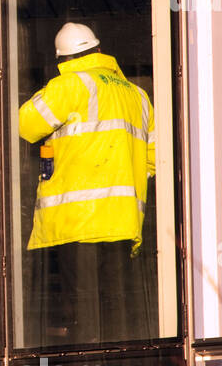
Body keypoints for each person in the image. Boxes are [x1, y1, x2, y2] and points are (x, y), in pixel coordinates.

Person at [18, 23, 156, 341]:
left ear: (63, 60)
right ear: (98, 50)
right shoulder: (138, 95)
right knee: (113, 310)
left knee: (82, 312)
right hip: (122, 222)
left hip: (77, 221)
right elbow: (152, 159)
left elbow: (24, 125)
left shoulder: (70, 84)